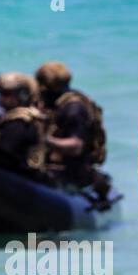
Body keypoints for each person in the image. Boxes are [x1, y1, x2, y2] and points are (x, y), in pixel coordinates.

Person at [34, 61, 111, 195]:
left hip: (74, 172)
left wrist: (44, 140)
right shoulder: (52, 102)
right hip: (53, 167)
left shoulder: (74, 108)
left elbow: (76, 146)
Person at [0, 71, 47, 174]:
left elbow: (6, 157)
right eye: (0, 93)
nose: (1, 98)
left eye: (6, 94)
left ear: (23, 95)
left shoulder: (19, 123)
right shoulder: (24, 115)